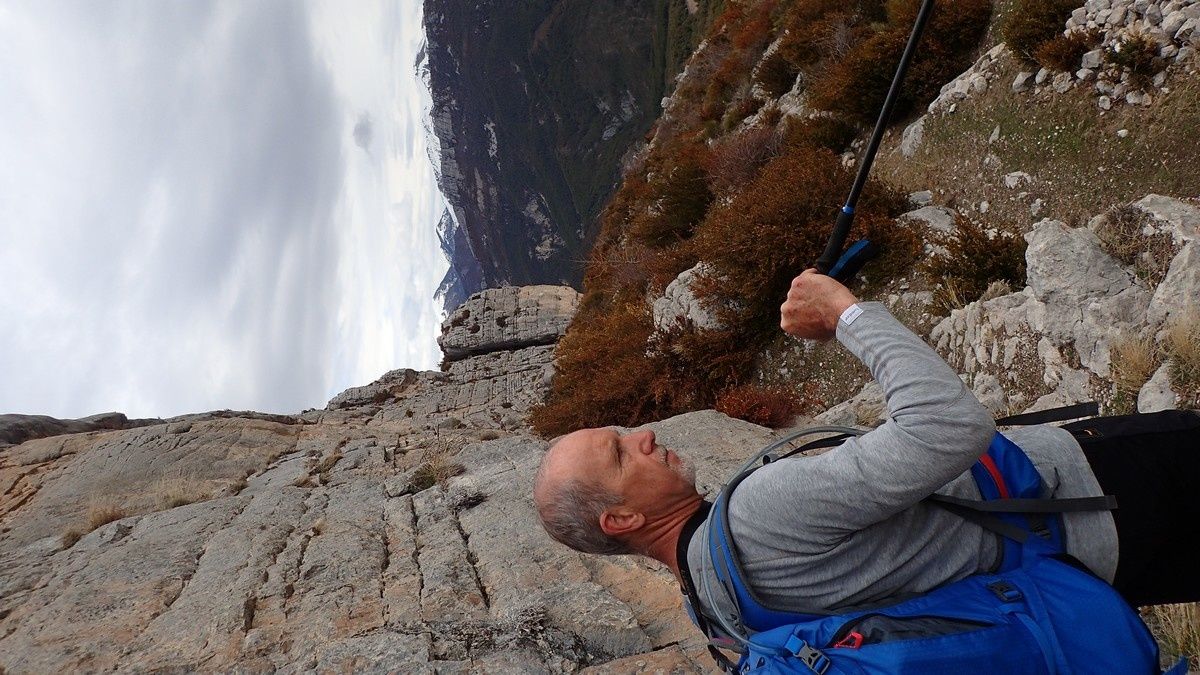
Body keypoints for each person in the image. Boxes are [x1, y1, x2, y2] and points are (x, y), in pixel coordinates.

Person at [533, 270, 1200, 629]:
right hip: (1105, 498)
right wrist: (846, 312)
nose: (644, 436)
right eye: (621, 455)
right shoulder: (755, 516)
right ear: (619, 521)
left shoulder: (715, 610)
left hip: (1083, 575)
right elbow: (948, 427)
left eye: (622, 431)